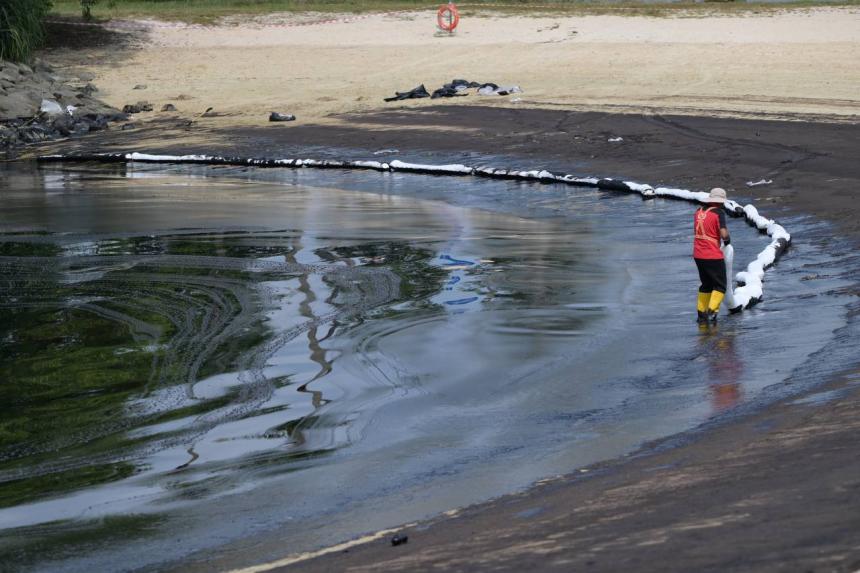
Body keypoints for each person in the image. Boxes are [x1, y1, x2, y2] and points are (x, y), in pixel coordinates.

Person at [694, 187, 731, 324]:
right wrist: (727, 241)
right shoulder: (718, 213)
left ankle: (701, 316)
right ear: (719, 201)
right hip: (712, 255)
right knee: (720, 286)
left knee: (706, 285)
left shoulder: (698, 211)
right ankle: (712, 312)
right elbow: (723, 234)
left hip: (698, 254)